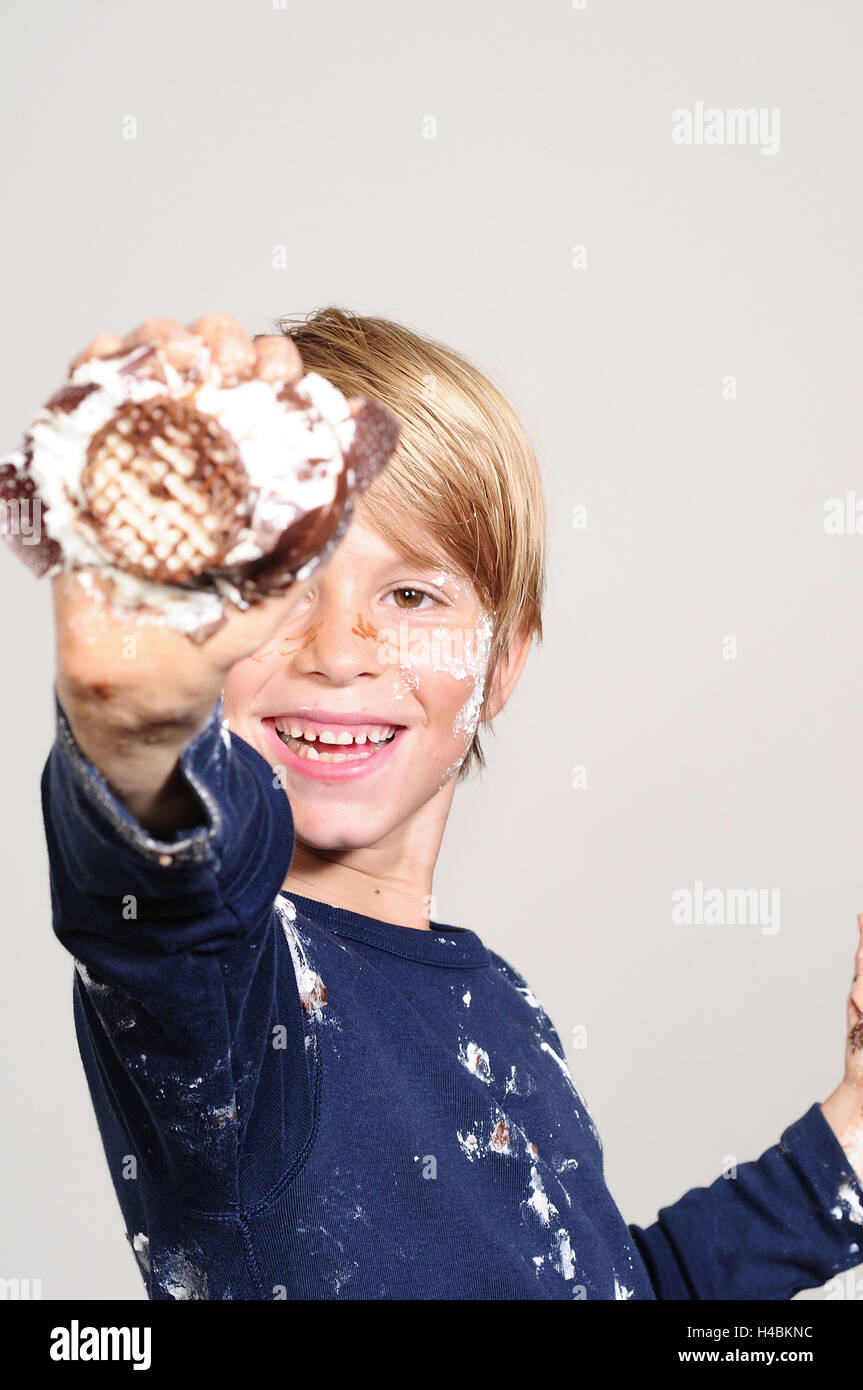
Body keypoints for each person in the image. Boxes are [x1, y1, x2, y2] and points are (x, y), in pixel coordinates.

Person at [42, 308, 863, 1299]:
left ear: (500, 661)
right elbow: (156, 886)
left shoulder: (500, 1005)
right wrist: (135, 721)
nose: (338, 650)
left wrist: (850, 1131)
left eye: (410, 596)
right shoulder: (230, 990)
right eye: (278, 589)